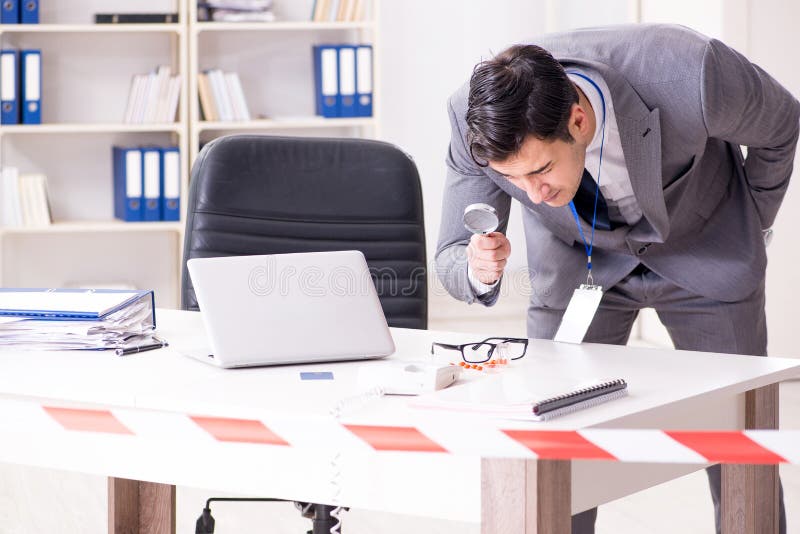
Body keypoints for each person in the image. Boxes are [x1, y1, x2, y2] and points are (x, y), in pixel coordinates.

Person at [435, 24, 798, 534]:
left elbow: (782, 125)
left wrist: (751, 218)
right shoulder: (472, 118)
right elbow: (450, 255)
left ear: (578, 120)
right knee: (554, 448)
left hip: (707, 251)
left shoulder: (690, 72)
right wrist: (475, 267)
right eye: (511, 180)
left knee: (739, 445)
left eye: (540, 171)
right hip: (575, 268)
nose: (531, 197)